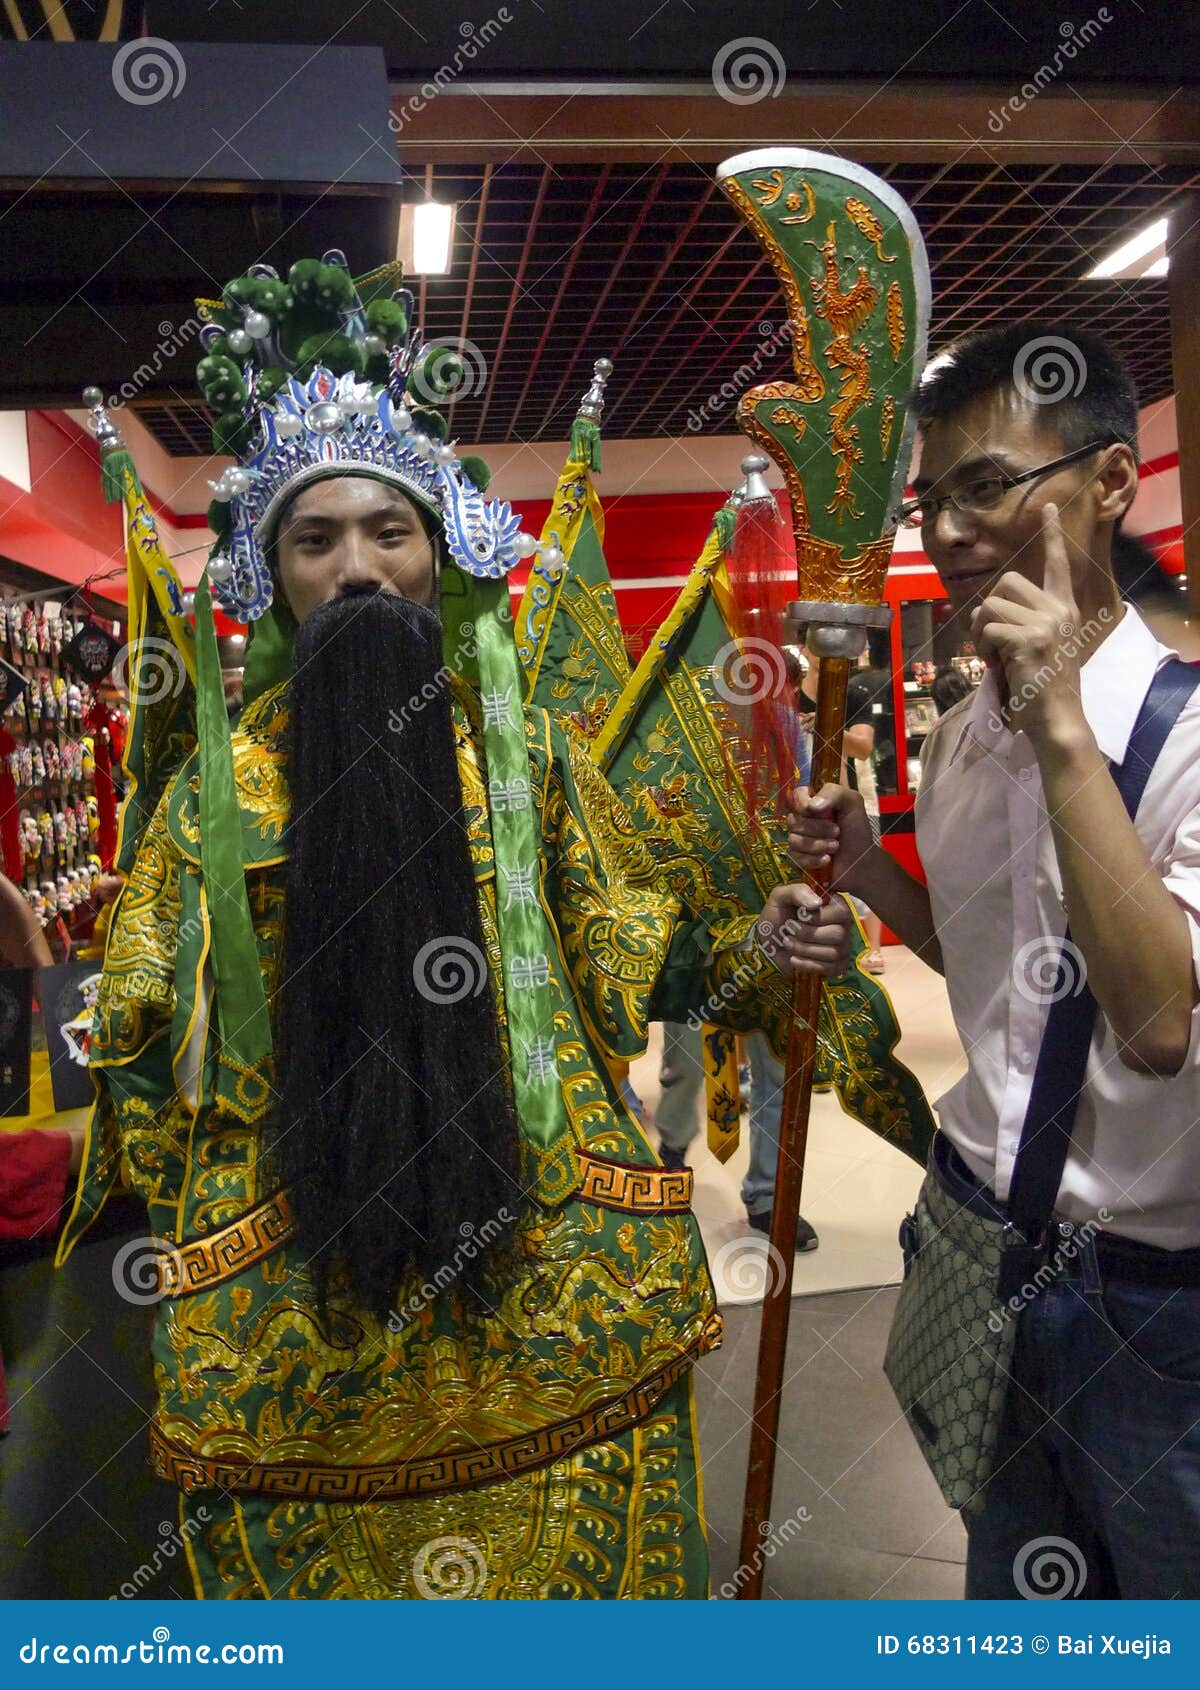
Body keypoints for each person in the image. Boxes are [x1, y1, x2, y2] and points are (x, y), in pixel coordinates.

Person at [58, 252, 851, 1601]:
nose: (359, 569)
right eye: (316, 540)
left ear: (442, 555)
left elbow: (647, 961)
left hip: (555, 1295)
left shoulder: (532, 761)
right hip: (304, 1328)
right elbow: (140, 1041)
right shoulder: (210, 802)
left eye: (390, 531)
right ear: (275, 575)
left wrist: (766, 945)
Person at [788, 320, 1200, 1600]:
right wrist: (869, 872)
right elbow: (986, 963)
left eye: (987, 486)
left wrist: (1065, 725)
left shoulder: (1189, 740)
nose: (952, 533)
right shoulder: (963, 736)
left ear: (1112, 480)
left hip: (1159, 1303)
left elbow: (1160, 1027)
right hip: (980, 1247)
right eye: (934, 502)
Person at [656, 647, 819, 1251]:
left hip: (771, 914)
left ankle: (769, 1195)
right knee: (684, 1052)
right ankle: (671, 1155)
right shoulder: (679, 730)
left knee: (777, 1058)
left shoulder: (785, 731)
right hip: (696, 921)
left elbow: (804, 811)